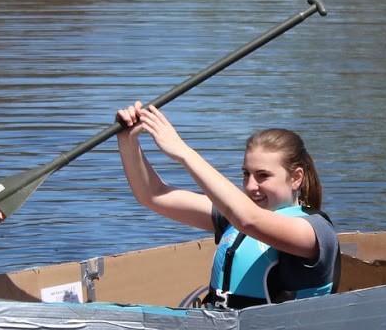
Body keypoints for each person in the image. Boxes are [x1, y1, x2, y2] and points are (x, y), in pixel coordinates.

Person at [115, 103, 338, 308]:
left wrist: (183, 152)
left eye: (263, 176)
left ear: (296, 178)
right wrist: (128, 141)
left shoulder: (315, 231)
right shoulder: (232, 218)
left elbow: (249, 220)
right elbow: (154, 195)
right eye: (246, 174)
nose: (251, 186)